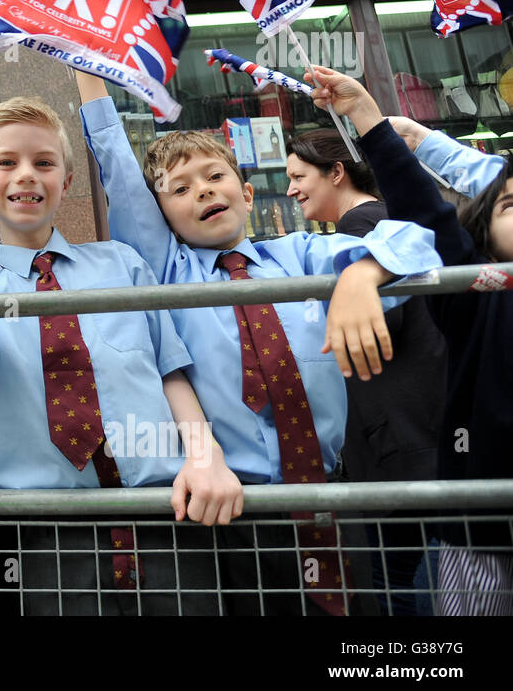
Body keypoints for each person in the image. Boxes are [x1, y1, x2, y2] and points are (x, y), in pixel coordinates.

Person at [75, 71, 442, 614]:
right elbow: (120, 169)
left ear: (246, 193)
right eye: (179, 189)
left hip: (334, 497)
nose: (201, 190)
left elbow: (415, 239)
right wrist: (86, 69)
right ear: (160, 217)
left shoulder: (299, 255)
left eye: (214, 176)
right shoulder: (164, 270)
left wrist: (364, 276)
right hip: (234, 510)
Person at [0, 99, 243, 614]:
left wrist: (205, 455)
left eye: (44, 162)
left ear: (69, 180)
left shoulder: (120, 263)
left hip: (162, 510)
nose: (25, 175)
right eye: (5, 163)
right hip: (52, 532)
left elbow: (170, 371)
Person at [307, 64, 513, 616]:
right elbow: (425, 211)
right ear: (484, 236)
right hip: (481, 535)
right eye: (511, 204)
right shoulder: (476, 293)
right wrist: (369, 119)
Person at [287, 129, 447, 614]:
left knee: (407, 589)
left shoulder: (363, 232)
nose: (292, 189)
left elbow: (378, 321)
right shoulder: (382, 224)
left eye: (299, 176)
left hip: (399, 445)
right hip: (414, 441)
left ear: (336, 172)